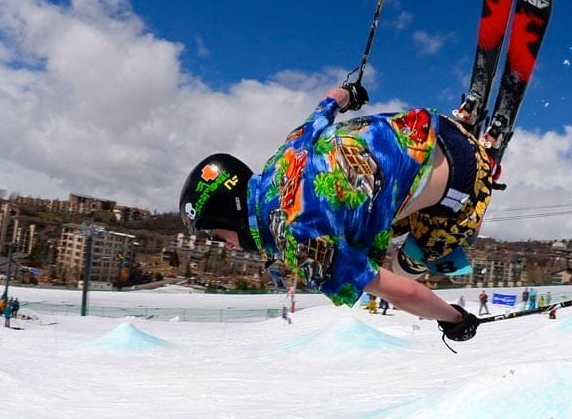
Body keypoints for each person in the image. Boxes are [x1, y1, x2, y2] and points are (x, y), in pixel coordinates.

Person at [179, 83, 495, 344]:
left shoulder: (299, 243)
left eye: (217, 236)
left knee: (401, 270)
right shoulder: (285, 154)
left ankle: (483, 166)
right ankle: (464, 122)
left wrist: (455, 319)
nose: (225, 245)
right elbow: (330, 101)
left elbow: (406, 293)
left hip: (466, 179)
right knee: (365, 218)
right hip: (435, 128)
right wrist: (348, 92)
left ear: (227, 215)